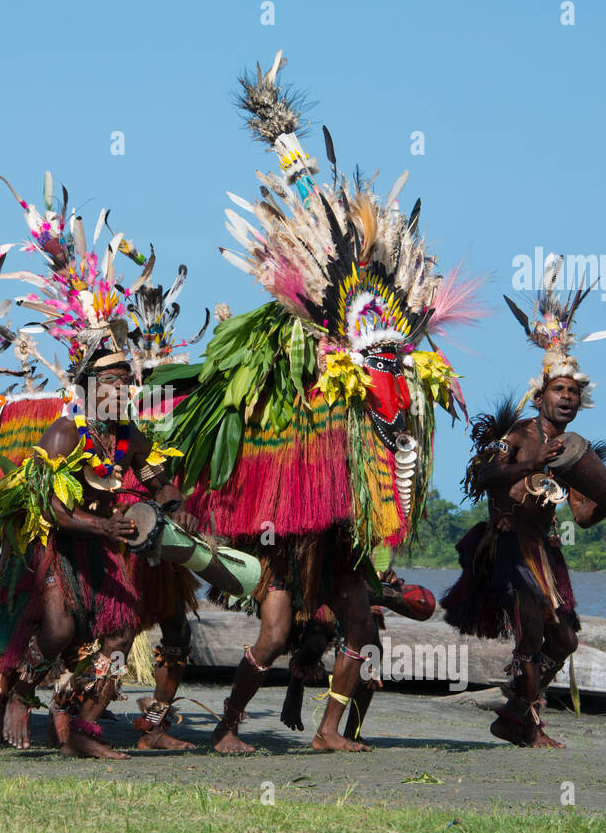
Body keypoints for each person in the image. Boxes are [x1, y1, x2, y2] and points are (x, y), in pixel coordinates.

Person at [158, 51, 472, 754]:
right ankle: (230, 726)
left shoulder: (379, 349)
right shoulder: (299, 355)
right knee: (272, 631)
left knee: (360, 630)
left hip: (345, 531)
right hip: (294, 532)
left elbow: (391, 415)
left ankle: (330, 730)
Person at [442, 255, 606, 748]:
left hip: (546, 553)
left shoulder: (574, 452)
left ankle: (513, 712)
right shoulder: (518, 434)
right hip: (506, 550)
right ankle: (528, 725)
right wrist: (529, 465)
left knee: (564, 640)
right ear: (540, 395)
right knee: (528, 637)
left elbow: (584, 518)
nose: (567, 397)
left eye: (573, 391)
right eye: (559, 389)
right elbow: (482, 476)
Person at [0, 347, 188, 759]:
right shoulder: (64, 433)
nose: (124, 389)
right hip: (55, 546)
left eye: (127, 381)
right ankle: (21, 694)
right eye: (114, 381)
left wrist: (172, 504)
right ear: (90, 387)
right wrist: (105, 525)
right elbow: (52, 509)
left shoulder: (128, 436)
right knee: (58, 631)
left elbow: (157, 480)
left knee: (121, 636)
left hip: (102, 544)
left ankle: (82, 729)